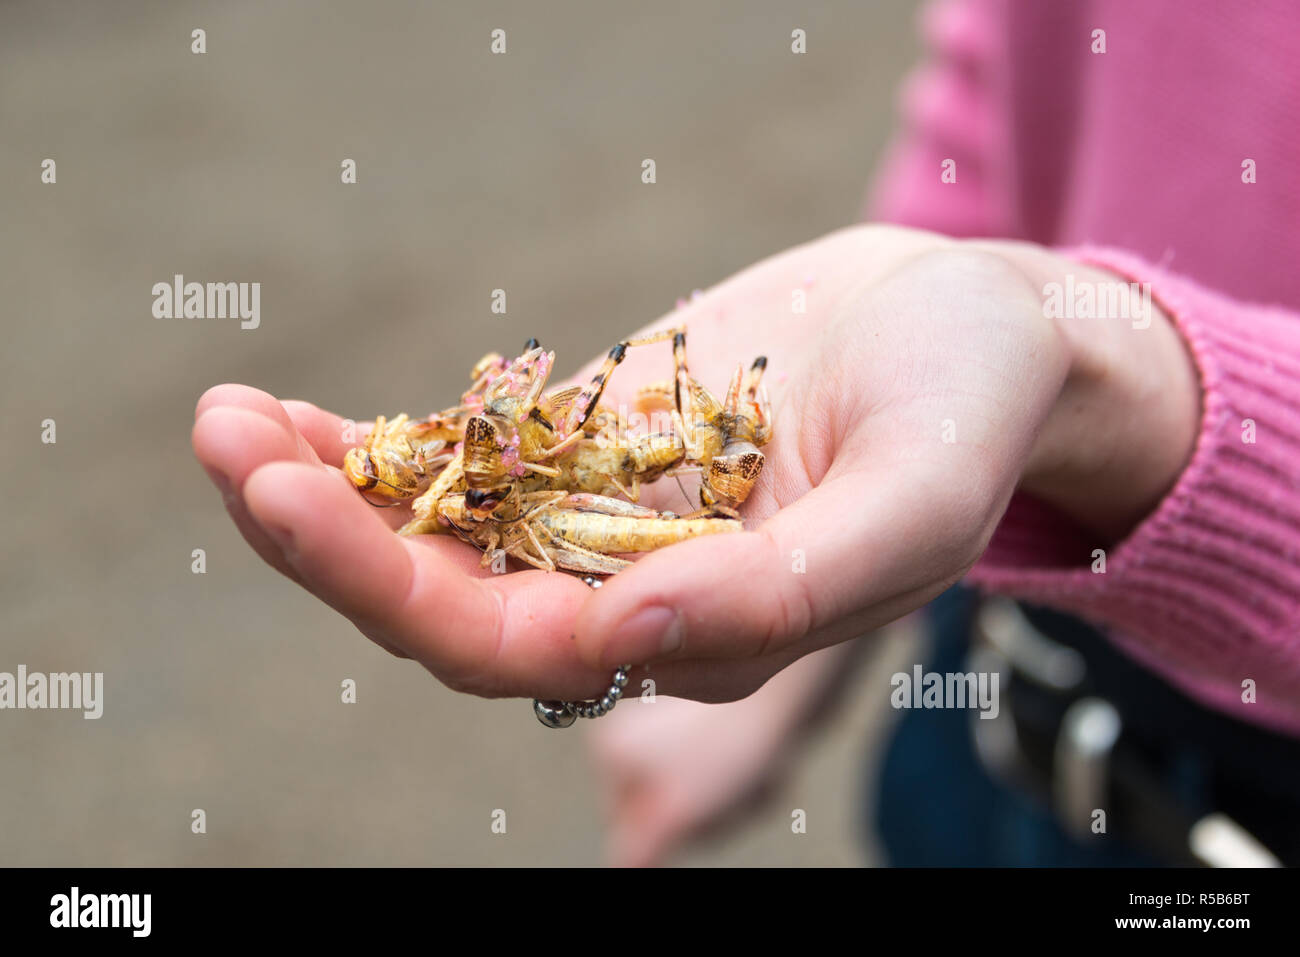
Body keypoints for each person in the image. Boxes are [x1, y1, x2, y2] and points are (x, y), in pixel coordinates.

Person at [193, 0, 1300, 865]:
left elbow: (993, 333)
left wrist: (1103, 379)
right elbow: (1007, 98)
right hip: (995, 692)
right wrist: (797, 659)